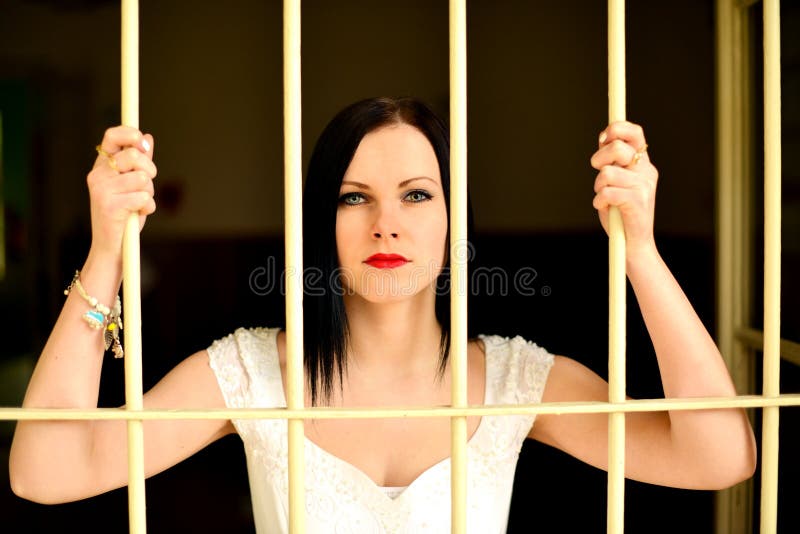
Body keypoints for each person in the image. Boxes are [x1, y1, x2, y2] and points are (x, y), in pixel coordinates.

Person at [9, 97, 756, 532]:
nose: (386, 225)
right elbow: (44, 472)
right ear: (319, 223)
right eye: (353, 196)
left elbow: (720, 457)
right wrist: (107, 248)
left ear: (452, 221)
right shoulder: (248, 373)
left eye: (416, 194)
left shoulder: (518, 381)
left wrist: (642, 252)